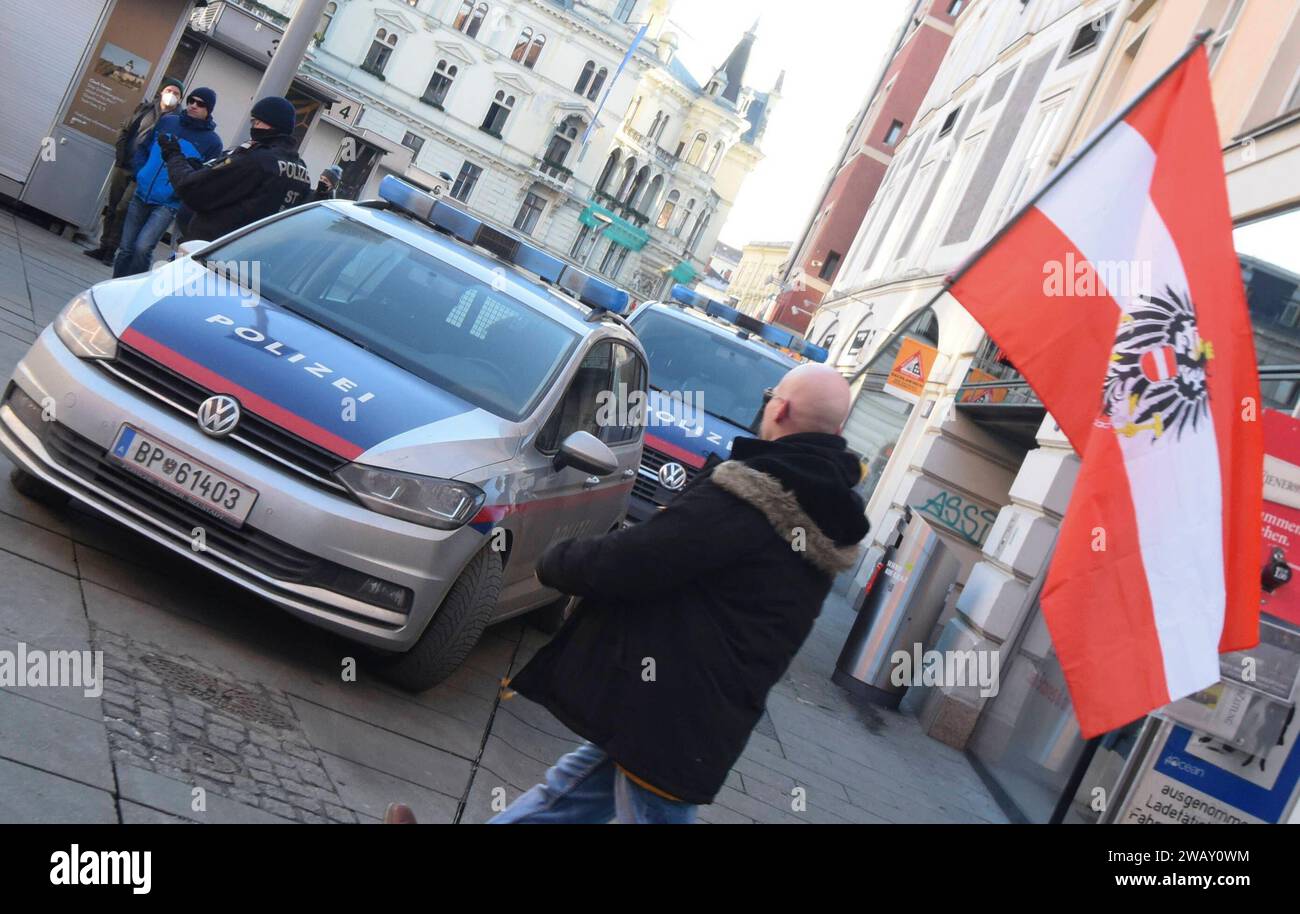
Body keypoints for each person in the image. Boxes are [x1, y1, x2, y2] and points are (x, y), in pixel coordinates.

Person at [488, 362, 869, 824]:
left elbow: (639, 558)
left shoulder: (750, 496)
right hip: (689, 708)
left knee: (620, 805)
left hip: (675, 709)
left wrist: (556, 560)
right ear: (839, 428)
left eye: (771, 396)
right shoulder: (828, 509)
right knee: (568, 796)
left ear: (781, 408)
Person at [161, 95, 312, 243]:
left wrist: (173, 154)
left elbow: (192, 189)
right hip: (253, 254)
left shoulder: (257, 160)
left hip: (213, 250)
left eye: (256, 122)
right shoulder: (302, 171)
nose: (253, 127)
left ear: (269, 124)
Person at [112, 87, 222, 278]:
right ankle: (117, 286)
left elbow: (205, 175)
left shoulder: (212, 142)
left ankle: (135, 287)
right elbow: (143, 148)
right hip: (141, 192)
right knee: (126, 248)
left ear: (209, 109)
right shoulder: (168, 122)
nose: (194, 105)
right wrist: (141, 173)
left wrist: (179, 192)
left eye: (200, 103)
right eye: (191, 100)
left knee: (143, 248)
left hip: (167, 203)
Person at [83, 77, 184, 265]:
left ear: (180, 99)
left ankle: (111, 250)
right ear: (161, 92)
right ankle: (103, 245)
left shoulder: (176, 121)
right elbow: (125, 129)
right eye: (169, 91)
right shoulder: (145, 109)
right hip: (125, 164)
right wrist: (120, 153)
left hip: (143, 173)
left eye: (176, 93)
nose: (172, 95)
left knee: (123, 208)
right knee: (112, 206)